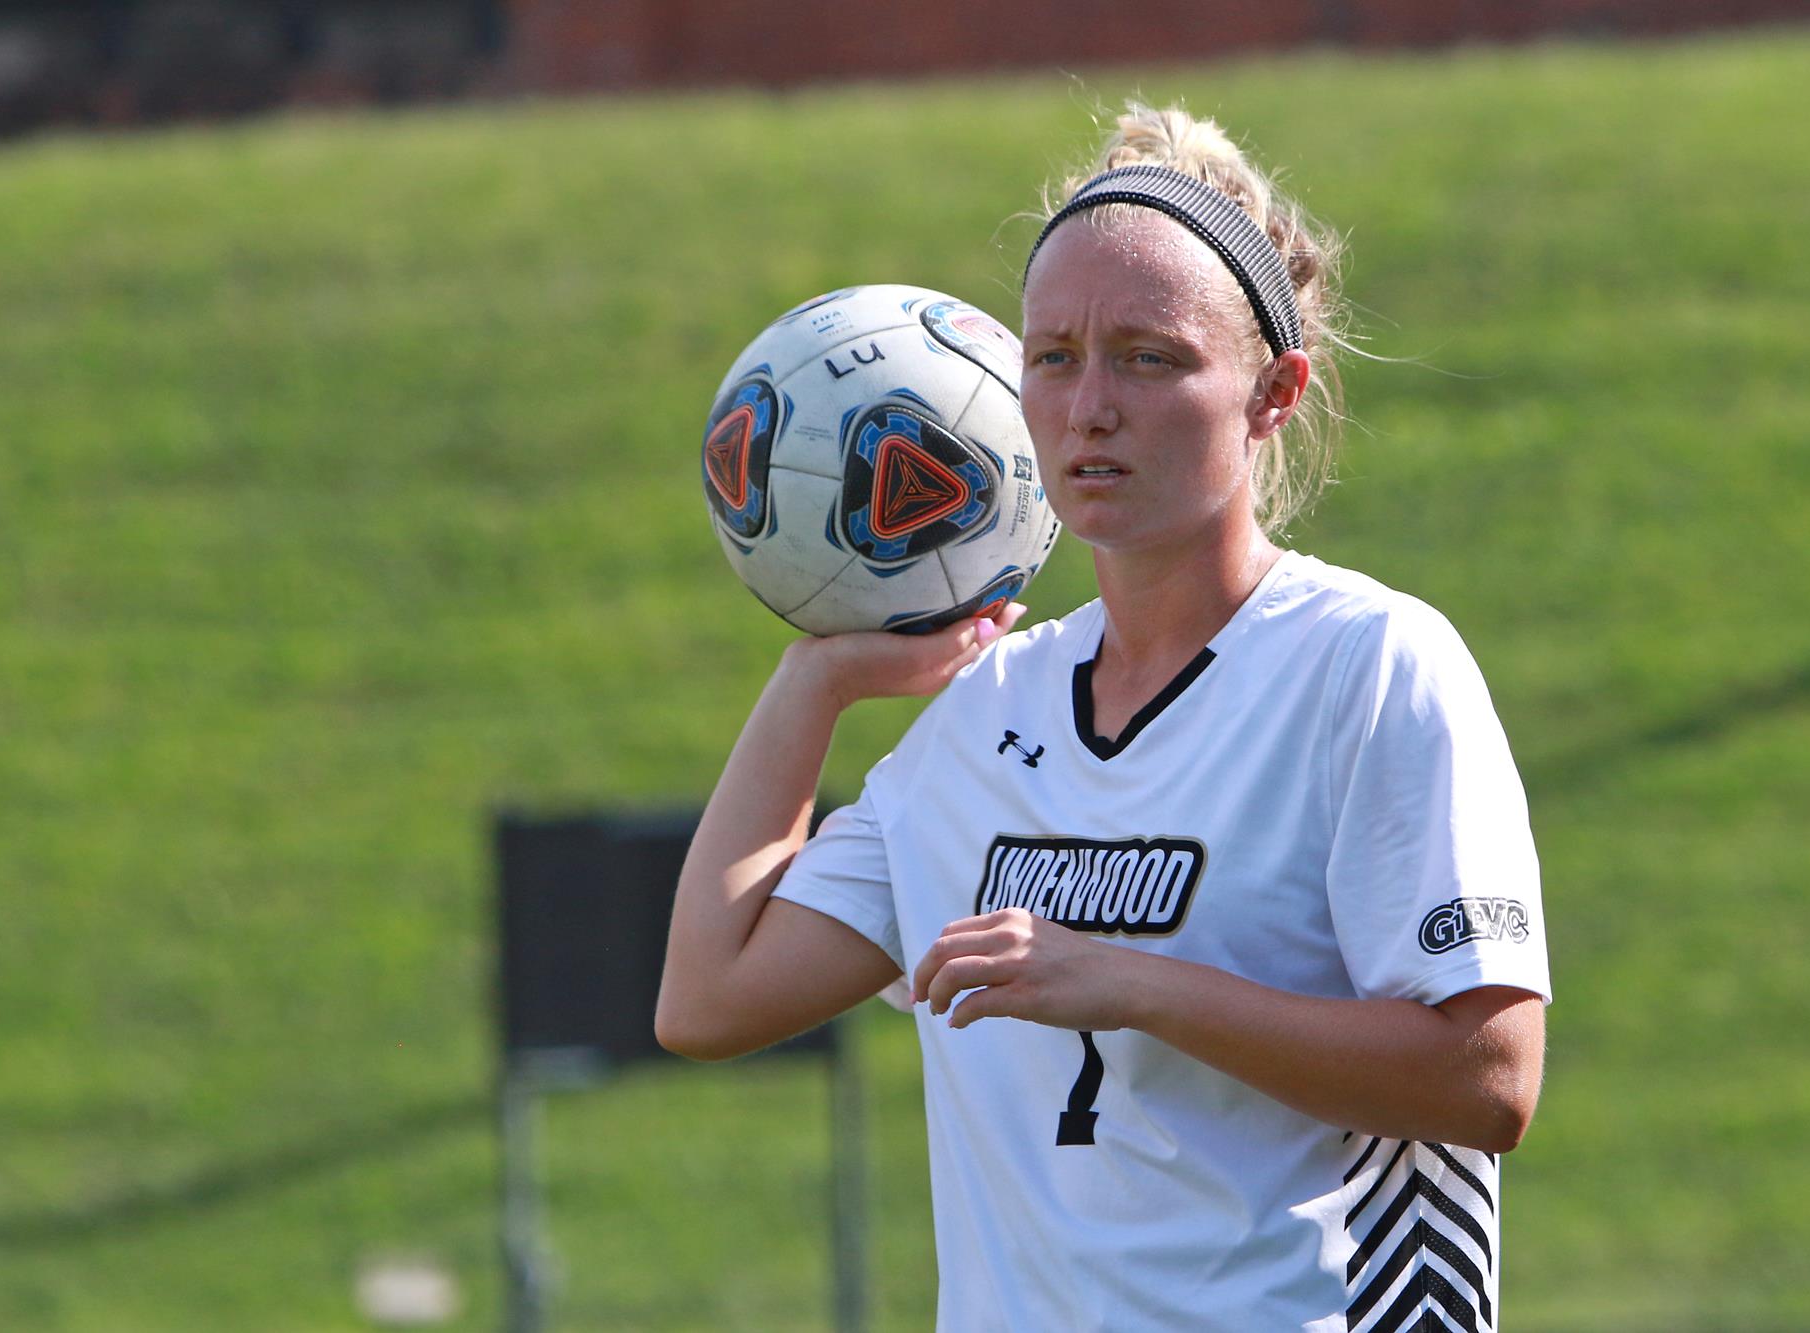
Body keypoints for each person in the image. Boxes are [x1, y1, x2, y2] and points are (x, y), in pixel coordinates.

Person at [658, 103, 1549, 1333]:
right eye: (1053, 356)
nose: (1088, 407)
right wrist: (811, 683)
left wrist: (1130, 982)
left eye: (1148, 357)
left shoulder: (1368, 665)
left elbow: (1486, 1079)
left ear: (1271, 392)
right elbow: (707, 999)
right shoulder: (984, 714)